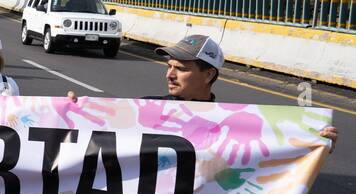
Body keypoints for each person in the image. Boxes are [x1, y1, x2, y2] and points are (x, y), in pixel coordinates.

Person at [66, 33, 338, 147]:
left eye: (181, 69)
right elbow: (101, 131)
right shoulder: (145, 109)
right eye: (169, 66)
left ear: (208, 75)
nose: (169, 75)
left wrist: (315, 140)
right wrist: (75, 112)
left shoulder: (234, 124)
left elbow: (275, 149)